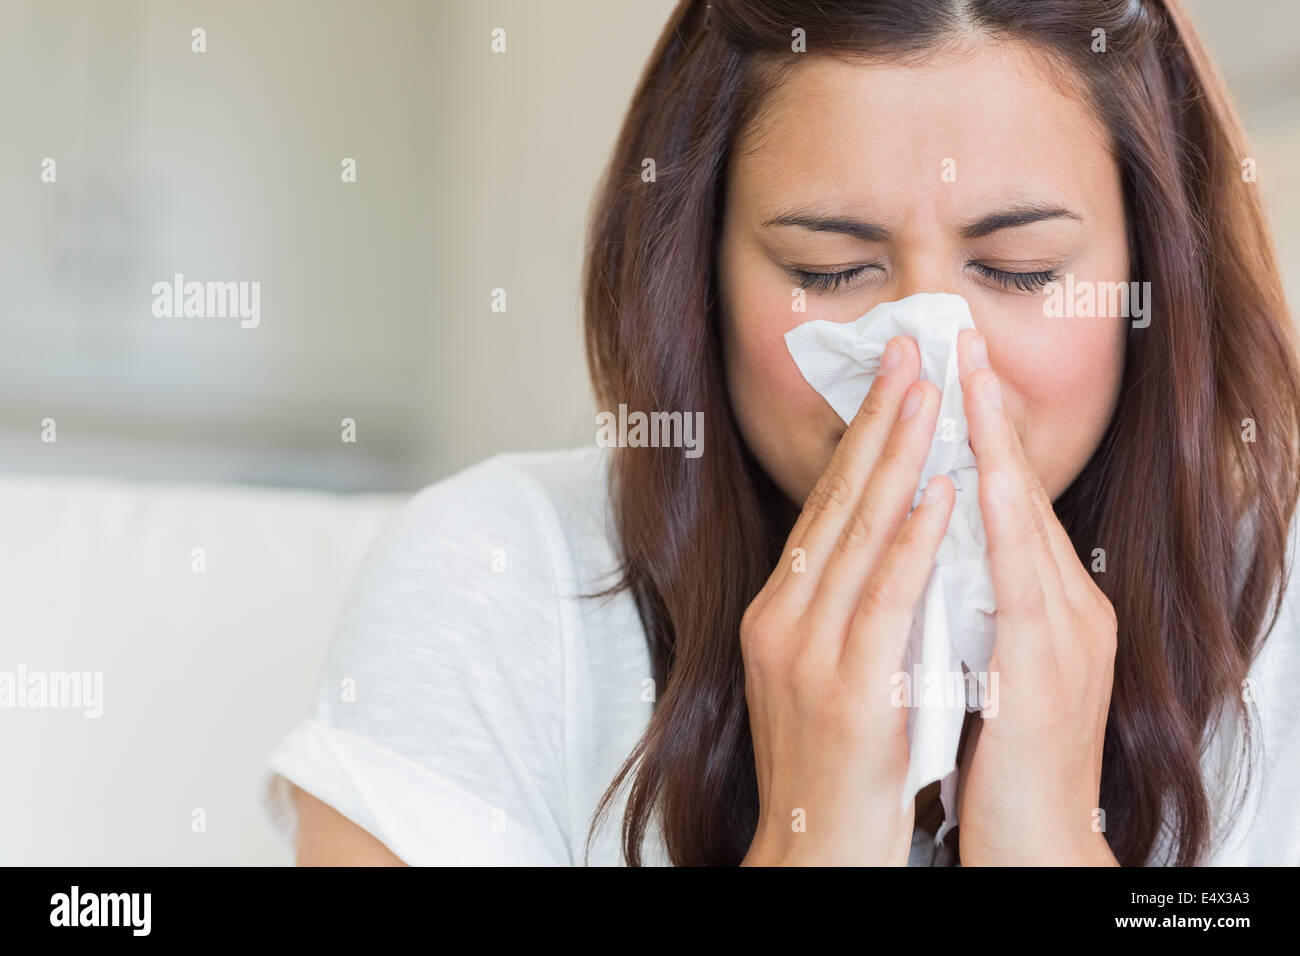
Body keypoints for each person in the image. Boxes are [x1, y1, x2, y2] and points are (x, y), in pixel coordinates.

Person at [262, 0, 1300, 866]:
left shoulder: (1280, 618)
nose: (923, 368)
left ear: (1153, 279)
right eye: (828, 271)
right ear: (695, 277)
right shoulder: (495, 578)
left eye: (1021, 269)